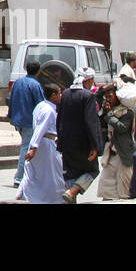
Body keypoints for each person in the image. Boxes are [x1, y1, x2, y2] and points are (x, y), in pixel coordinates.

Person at [56, 66, 101, 204]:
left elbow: (60, 119)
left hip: (67, 143)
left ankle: (70, 198)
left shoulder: (66, 94)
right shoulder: (88, 96)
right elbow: (90, 122)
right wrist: (95, 145)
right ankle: (73, 191)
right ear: (90, 80)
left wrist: (60, 140)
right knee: (93, 170)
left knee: (70, 173)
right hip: (84, 144)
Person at [17, 83, 65, 203]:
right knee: (53, 173)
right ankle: (55, 199)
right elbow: (40, 129)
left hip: (41, 143)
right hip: (46, 144)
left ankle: (24, 193)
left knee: (34, 172)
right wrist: (34, 147)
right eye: (59, 93)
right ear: (53, 96)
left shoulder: (40, 106)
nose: (61, 96)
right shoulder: (48, 111)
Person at [8, 60, 45, 187]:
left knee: (29, 147)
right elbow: (41, 105)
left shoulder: (18, 83)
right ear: (38, 71)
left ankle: (32, 176)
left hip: (18, 120)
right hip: (29, 121)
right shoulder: (35, 85)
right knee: (26, 148)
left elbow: (11, 99)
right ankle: (19, 178)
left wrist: (10, 116)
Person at [96, 84, 135, 200]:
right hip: (112, 151)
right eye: (106, 97)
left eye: (110, 97)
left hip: (123, 151)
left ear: (117, 97)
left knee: (126, 181)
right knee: (106, 179)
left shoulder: (127, 113)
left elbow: (122, 128)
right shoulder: (109, 111)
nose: (108, 100)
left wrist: (109, 115)